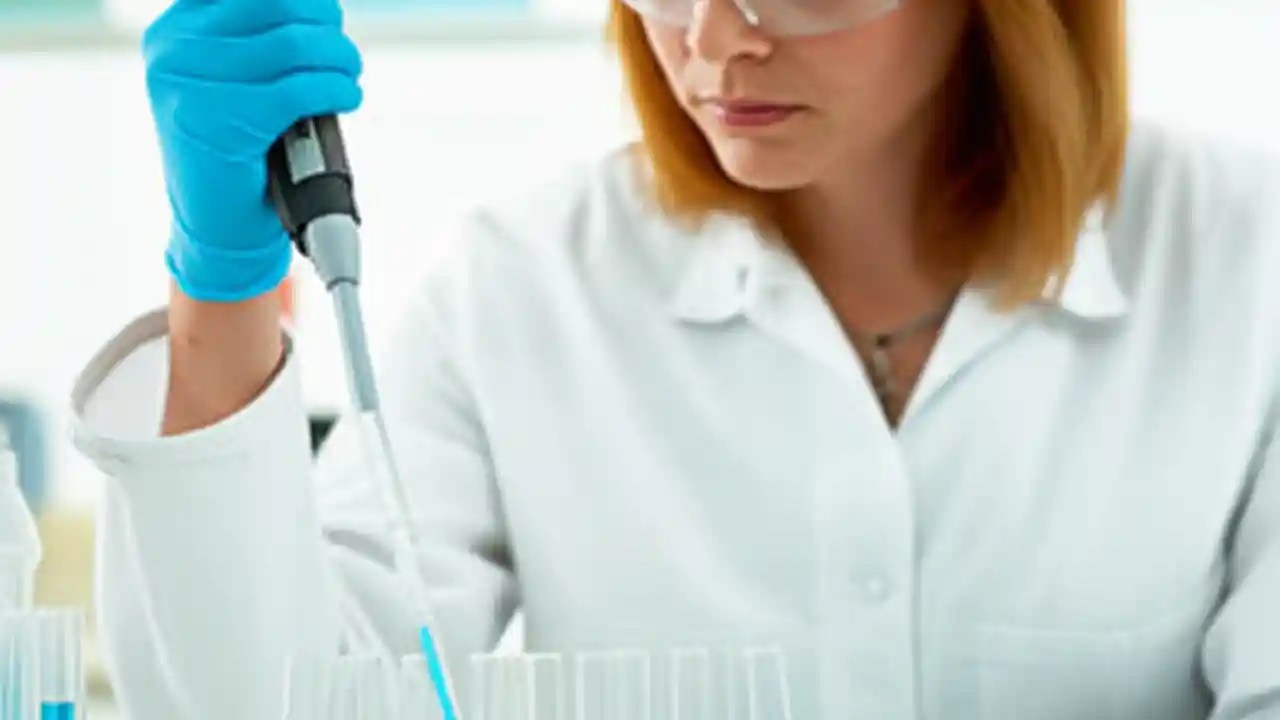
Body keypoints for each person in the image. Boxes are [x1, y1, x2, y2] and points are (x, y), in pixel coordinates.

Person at [69, 0, 1280, 717]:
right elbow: (270, 702)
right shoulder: (519, 284)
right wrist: (221, 287)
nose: (711, 45)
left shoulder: (1240, 260)